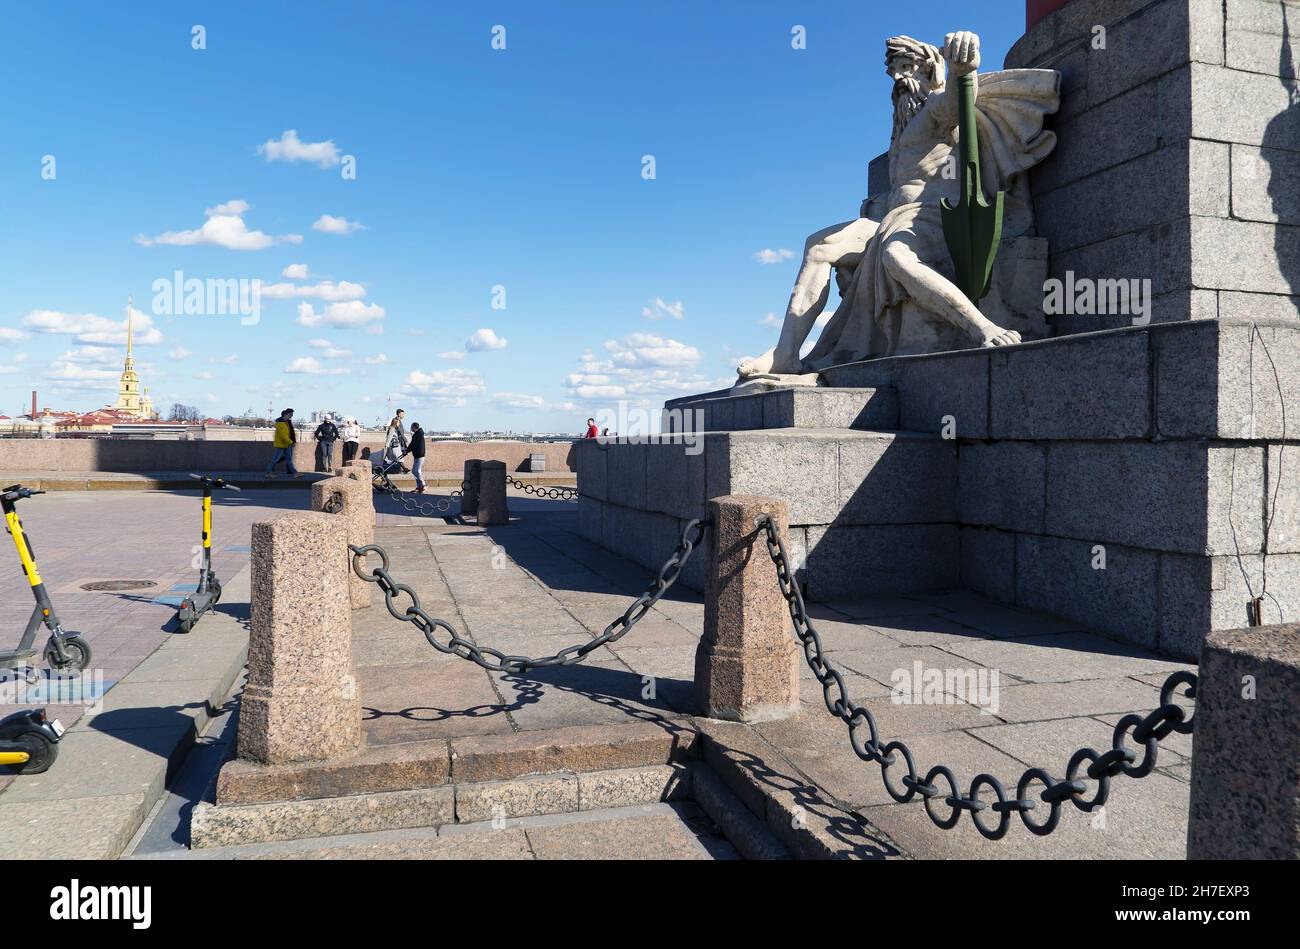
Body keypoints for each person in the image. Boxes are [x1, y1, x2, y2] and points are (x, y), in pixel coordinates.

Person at [266, 408, 301, 479]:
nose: (290, 416)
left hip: (286, 444)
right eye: (289, 415)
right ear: (285, 415)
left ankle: (295, 473)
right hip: (281, 445)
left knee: (289, 459)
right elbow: (283, 436)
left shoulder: (285, 423)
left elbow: (287, 434)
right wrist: (291, 442)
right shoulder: (281, 424)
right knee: (275, 459)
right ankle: (268, 473)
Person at [403, 422, 427, 493]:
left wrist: (406, 451)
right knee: (417, 471)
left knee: (415, 471)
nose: (410, 428)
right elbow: (412, 445)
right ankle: (419, 487)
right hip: (418, 455)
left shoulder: (417, 435)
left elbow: (413, 445)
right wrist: (407, 450)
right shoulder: (418, 434)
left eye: (411, 427)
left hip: (419, 455)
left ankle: (423, 484)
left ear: (414, 427)